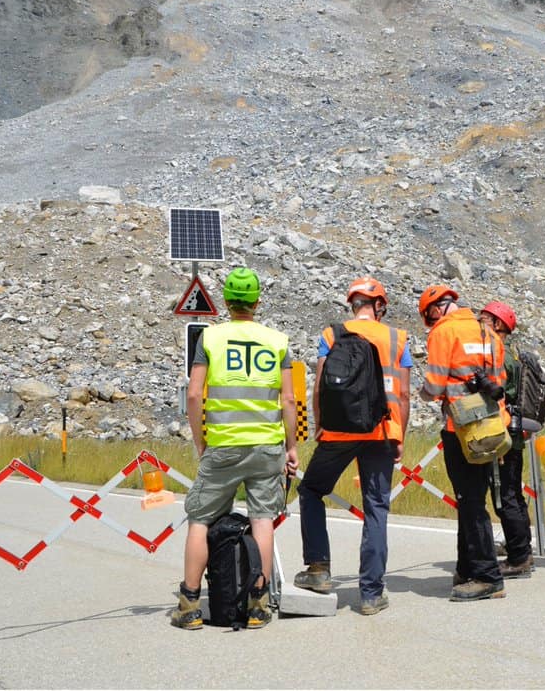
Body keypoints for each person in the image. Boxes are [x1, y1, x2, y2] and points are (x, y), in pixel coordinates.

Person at [173, 267, 299, 629]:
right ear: (257, 302)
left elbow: (195, 394)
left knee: (200, 518)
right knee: (262, 519)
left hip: (224, 445)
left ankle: (190, 604)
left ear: (226, 302)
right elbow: (288, 400)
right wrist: (290, 446)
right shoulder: (277, 340)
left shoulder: (210, 339)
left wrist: (200, 439)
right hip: (266, 445)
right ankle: (258, 604)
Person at [294, 277, 411, 616]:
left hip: (339, 431)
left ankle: (318, 569)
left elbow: (319, 386)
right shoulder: (397, 338)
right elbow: (402, 394)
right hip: (382, 430)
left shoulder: (332, 334)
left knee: (312, 490)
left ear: (353, 304)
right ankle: (371, 594)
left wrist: (319, 424)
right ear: (380, 305)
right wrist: (399, 434)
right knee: (376, 507)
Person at [418, 284, 510, 602]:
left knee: (470, 501)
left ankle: (487, 576)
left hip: (460, 428)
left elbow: (434, 385)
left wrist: (425, 393)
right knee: (470, 498)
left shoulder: (443, 333)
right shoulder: (488, 333)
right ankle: (467, 567)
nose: (429, 322)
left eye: (428, 316)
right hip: (491, 425)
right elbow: (499, 383)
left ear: (435, 309)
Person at [478, 300, 534, 579]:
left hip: (502, 434)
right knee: (513, 492)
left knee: (504, 496)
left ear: (498, 324)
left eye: (484, 318)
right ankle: (523, 549)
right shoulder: (512, 353)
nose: (479, 322)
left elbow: (495, 392)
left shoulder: (500, 356)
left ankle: (518, 558)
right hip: (514, 431)